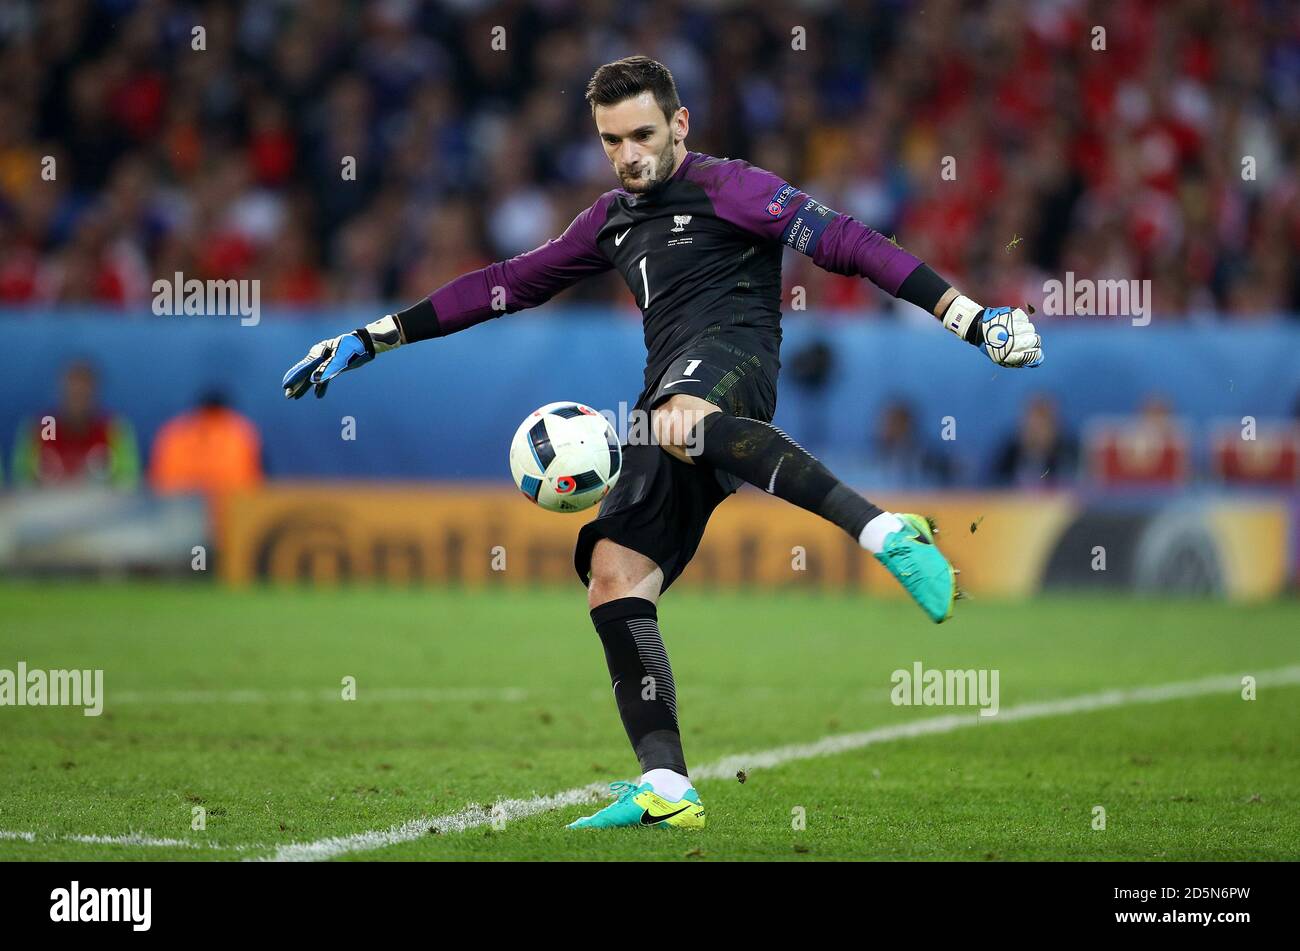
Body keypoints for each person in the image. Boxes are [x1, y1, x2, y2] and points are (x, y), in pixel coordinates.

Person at [281, 57, 1044, 830]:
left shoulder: (734, 188)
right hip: (666, 404)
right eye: (612, 141)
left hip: (733, 370)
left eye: (643, 134)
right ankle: (667, 787)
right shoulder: (611, 220)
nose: (629, 155)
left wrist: (971, 318)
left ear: (679, 125)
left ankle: (883, 529)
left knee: (678, 418)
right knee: (614, 579)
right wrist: (375, 335)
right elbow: (504, 283)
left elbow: (848, 243)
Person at [11, 360, 139, 488]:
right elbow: (22, 483)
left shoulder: (113, 428)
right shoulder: (43, 427)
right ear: (60, 390)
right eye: (72, 392)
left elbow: (127, 485)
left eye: (84, 393)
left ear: (96, 392)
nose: (77, 398)